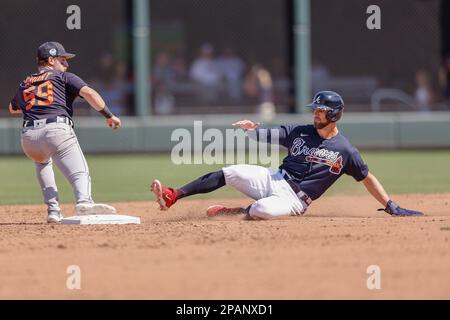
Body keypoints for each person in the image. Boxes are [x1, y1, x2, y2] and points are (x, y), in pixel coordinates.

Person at [150, 91, 423, 219]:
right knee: (230, 172)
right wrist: (254, 129)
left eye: (320, 111)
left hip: (294, 201)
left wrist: (390, 204)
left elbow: (366, 177)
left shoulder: (346, 150)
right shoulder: (301, 131)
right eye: (315, 110)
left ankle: (237, 211)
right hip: (274, 178)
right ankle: (174, 195)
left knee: (262, 209)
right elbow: (271, 134)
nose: (315, 114)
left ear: (334, 114)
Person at [8, 41, 122, 223]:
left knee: (42, 164)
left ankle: (53, 211)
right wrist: (109, 115)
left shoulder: (26, 82)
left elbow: (13, 108)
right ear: (51, 60)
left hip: (29, 137)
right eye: (63, 60)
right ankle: (84, 201)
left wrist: (37, 105)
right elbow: (90, 93)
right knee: (80, 172)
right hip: (56, 129)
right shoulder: (64, 77)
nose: (67, 64)